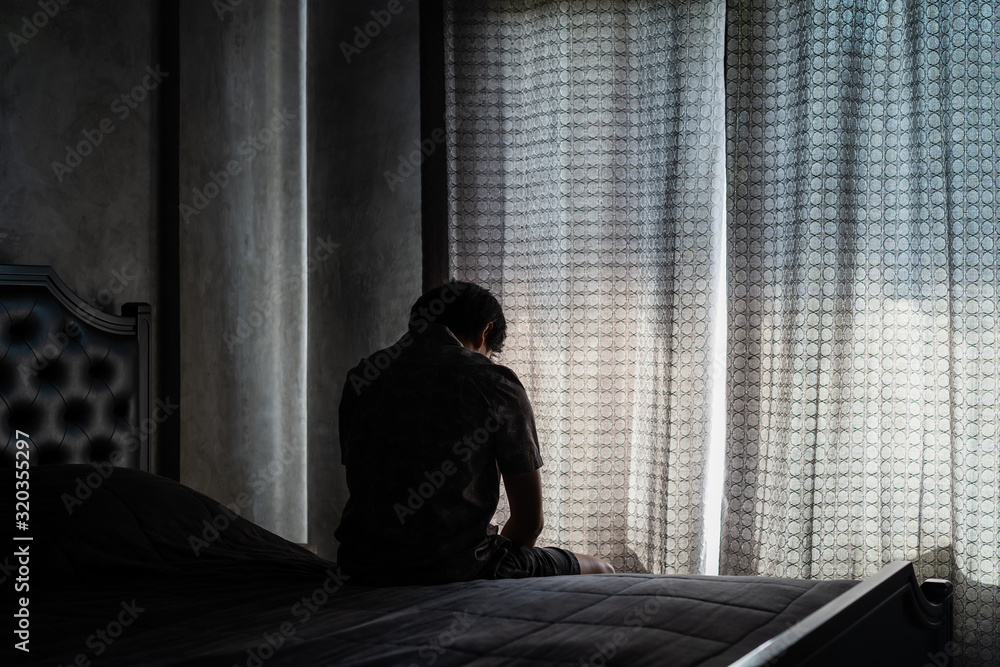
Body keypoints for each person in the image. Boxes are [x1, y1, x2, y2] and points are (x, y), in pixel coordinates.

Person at [335, 281, 614, 585]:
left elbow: (364, 479)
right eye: (490, 352)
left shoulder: (362, 377)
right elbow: (529, 523)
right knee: (604, 570)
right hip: (456, 568)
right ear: (485, 332)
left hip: (360, 565)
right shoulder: (492, 381)